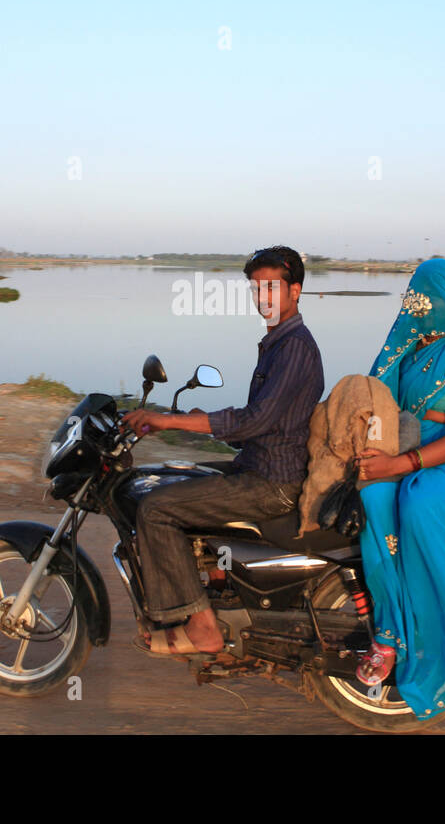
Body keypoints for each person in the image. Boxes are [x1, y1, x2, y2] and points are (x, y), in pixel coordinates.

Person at [120, 246, 324, 655]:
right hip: (256, 464)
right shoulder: (277, 343)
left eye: (271, 287)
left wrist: (169, 420)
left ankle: (201, 625)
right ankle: (215, 581)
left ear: (295, 290)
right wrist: (200, 421)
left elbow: (255, 420)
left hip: (272, 482)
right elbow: (260, 426)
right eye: (255, 288)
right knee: (172, 477)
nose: (262, 297)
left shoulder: (295, 348)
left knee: (156, 509)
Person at [351, 257, 445, 721]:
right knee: (373, 498)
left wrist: (396, 463)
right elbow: (378, 401)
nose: (418, 306)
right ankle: (390, 633)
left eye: (428, 298)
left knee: (418, 503)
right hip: (413, 448)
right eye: (414, 297)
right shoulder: (410, 347)